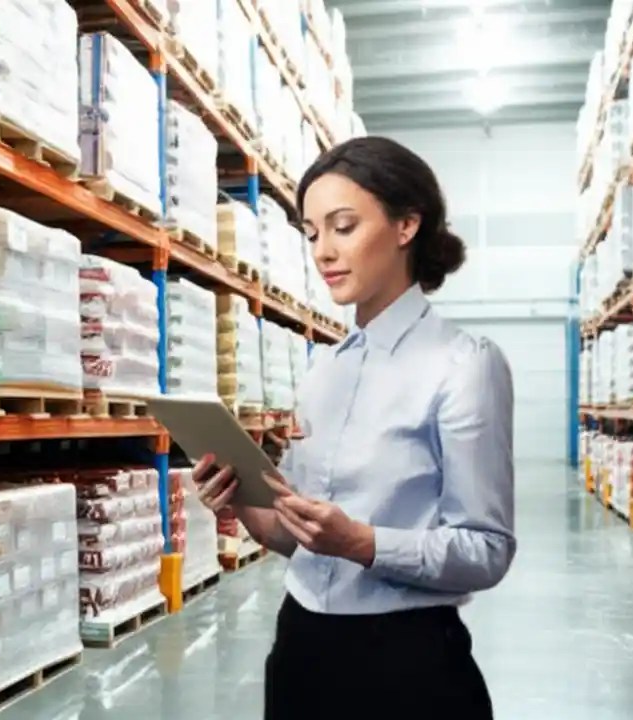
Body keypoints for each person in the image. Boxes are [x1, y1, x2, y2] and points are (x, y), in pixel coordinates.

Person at [193, 136, 515, 719]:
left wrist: (363, 543)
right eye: (312, 233)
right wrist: (242, 496)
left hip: (406, 664)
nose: (323, 252)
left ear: (406, 225)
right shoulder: (324, 369)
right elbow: (296, 537)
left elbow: (486, 550)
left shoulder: (464, 364)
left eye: (343, 226)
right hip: (301, 650)